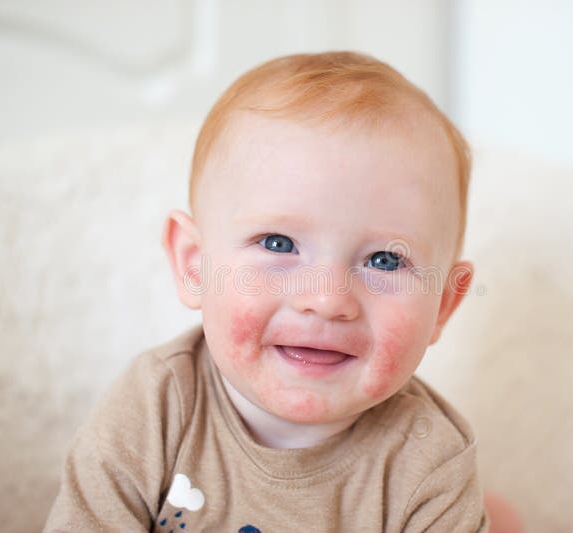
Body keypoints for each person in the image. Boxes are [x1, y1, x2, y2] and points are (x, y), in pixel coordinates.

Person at [45, 51, 523, 532]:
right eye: (279, 243)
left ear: (441, 304)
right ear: (196, 264)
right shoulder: (155, 408)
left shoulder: (429, 461)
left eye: (384, 260)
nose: (327, 299)